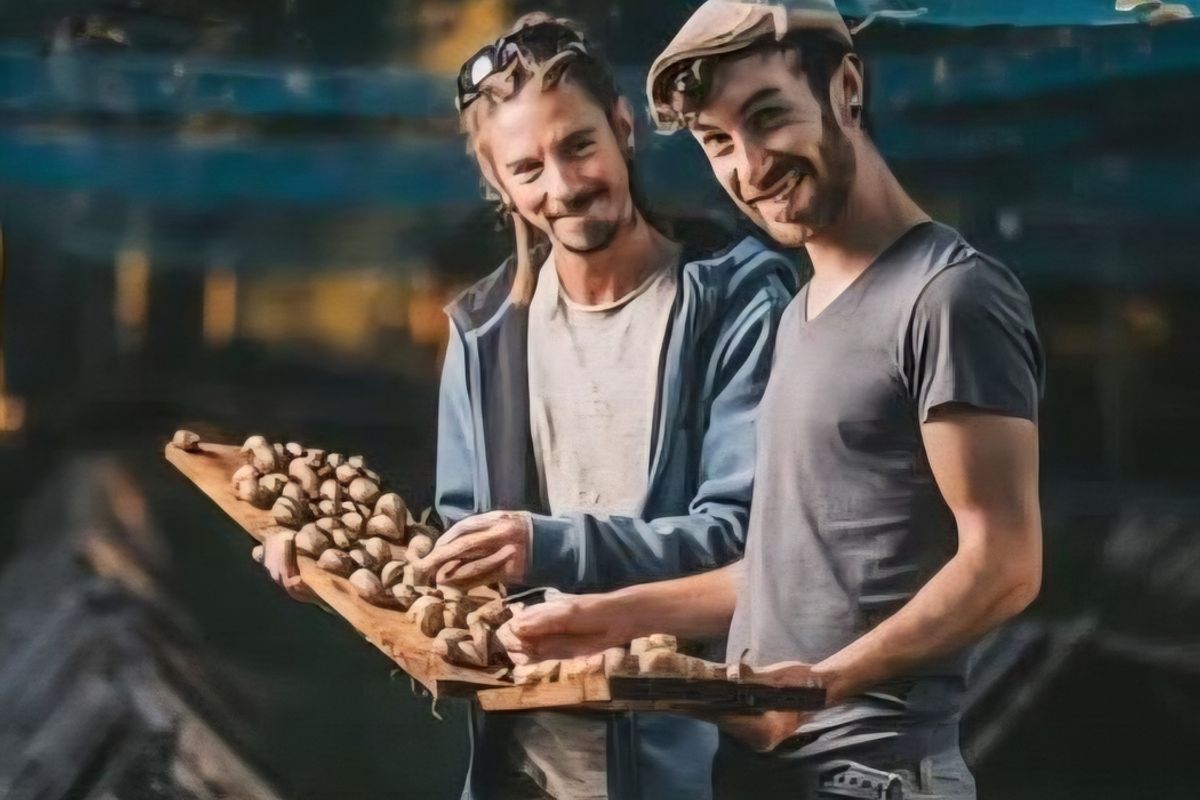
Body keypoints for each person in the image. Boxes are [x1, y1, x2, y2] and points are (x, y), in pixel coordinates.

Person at [499, 3, 1046, 798]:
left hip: (870, 775)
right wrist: (608, 615)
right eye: (718, 142)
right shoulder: (801, 311)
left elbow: (1005, 563)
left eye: (768, 118)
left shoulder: (949, 296)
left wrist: (817, 688)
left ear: (847, 88)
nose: (749, 167)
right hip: (766, 774)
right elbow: (795, 571)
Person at [265, 12, 795, 800]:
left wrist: (543, 544)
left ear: (623, 129)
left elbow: (749, 546)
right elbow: (459, 560)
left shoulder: (739, 302)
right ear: (499, 185)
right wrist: (335, 574)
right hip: (522, 768)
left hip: (696, 765)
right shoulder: (482, 335)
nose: (564, 185)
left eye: (579, 145)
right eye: (528, 167)